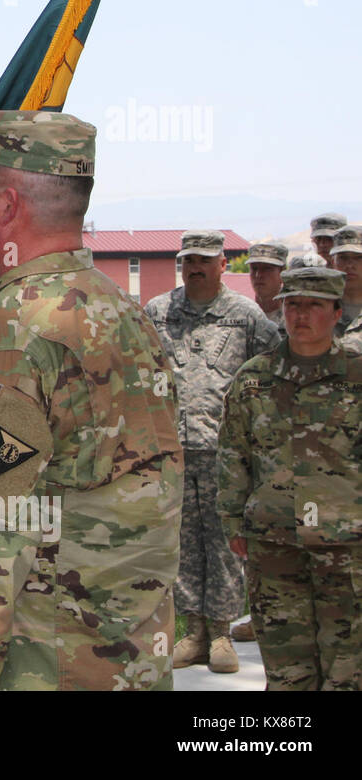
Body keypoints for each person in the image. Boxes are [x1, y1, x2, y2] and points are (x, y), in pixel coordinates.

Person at [0, 110, 182, 691]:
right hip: (125, 662)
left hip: (40, 664)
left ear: (5, 207)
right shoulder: (125, 315)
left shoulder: (13, 331)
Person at [218, 266, 362, 689]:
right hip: (274, 540)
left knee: (348, 664)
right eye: (292, 304)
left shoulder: (357, 376)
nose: (300, 314)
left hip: (347, 543)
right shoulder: (254, 377)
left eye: (313, 305)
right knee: (285, 665)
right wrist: (231, 522)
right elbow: (233, 454)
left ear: (337, 313)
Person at [144, 229, 280, 674]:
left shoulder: (245, 315)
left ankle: (221, 632)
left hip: (225, 451)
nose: (195, 268)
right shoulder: (159, 311)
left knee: (222, 544)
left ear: (223, 264)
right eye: (188, 261)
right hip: (173, 449)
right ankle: (194, 632)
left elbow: (271, 372)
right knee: (183, 544)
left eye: (204, 260)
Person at [329, 225, 362, 345]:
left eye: (359, 258)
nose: (349, 265)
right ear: (333, 262)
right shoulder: (319, 305)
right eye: (343, 258)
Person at [247, 241, 288, 330]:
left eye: (266, 269)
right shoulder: (240, 314)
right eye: (254, 269)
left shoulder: (293, 318)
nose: (258, 275)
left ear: (282, 273)